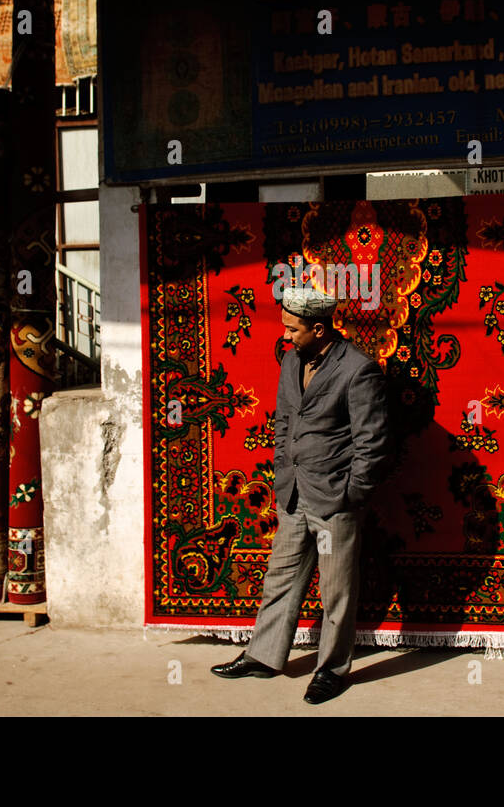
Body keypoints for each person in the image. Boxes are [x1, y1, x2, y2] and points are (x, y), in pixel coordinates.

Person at [210, 285, 390, 704]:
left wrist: (350, 495)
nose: (286, 336)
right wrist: (279, 473)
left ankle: (331, 670)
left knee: (336, 592)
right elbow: (285, 422)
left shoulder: (359, 370)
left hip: (334, 501)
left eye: (293, 329)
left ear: (320, 329)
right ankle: (264, 656)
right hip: (293, 494)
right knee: (281, 578)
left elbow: (373, 444)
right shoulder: (292, 359)